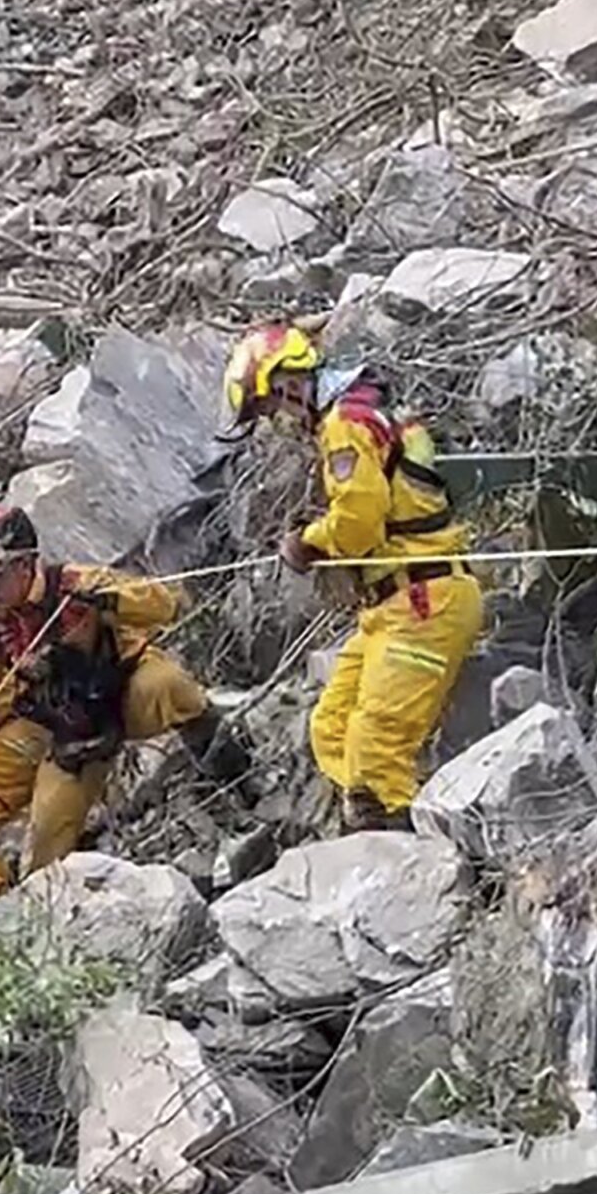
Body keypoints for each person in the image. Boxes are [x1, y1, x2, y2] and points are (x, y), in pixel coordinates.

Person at [0, 504, 243, 918]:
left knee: (168, 686)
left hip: (124, 693)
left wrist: (114, 600)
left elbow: (166, 605)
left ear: (23, 564)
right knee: (43, 854)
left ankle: (232, 773)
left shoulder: (77, 584)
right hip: (71, 734)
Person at [225, 324, 485, 833]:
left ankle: (403, 849)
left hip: (423, 601)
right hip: (392, 606)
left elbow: (360, 524)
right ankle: (376, 818)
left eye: (273, 406)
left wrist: (309, 541)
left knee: (375, 748)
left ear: (289, 384)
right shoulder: (363, 408)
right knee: (333, 727)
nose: (279, 420)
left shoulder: (346, 423)